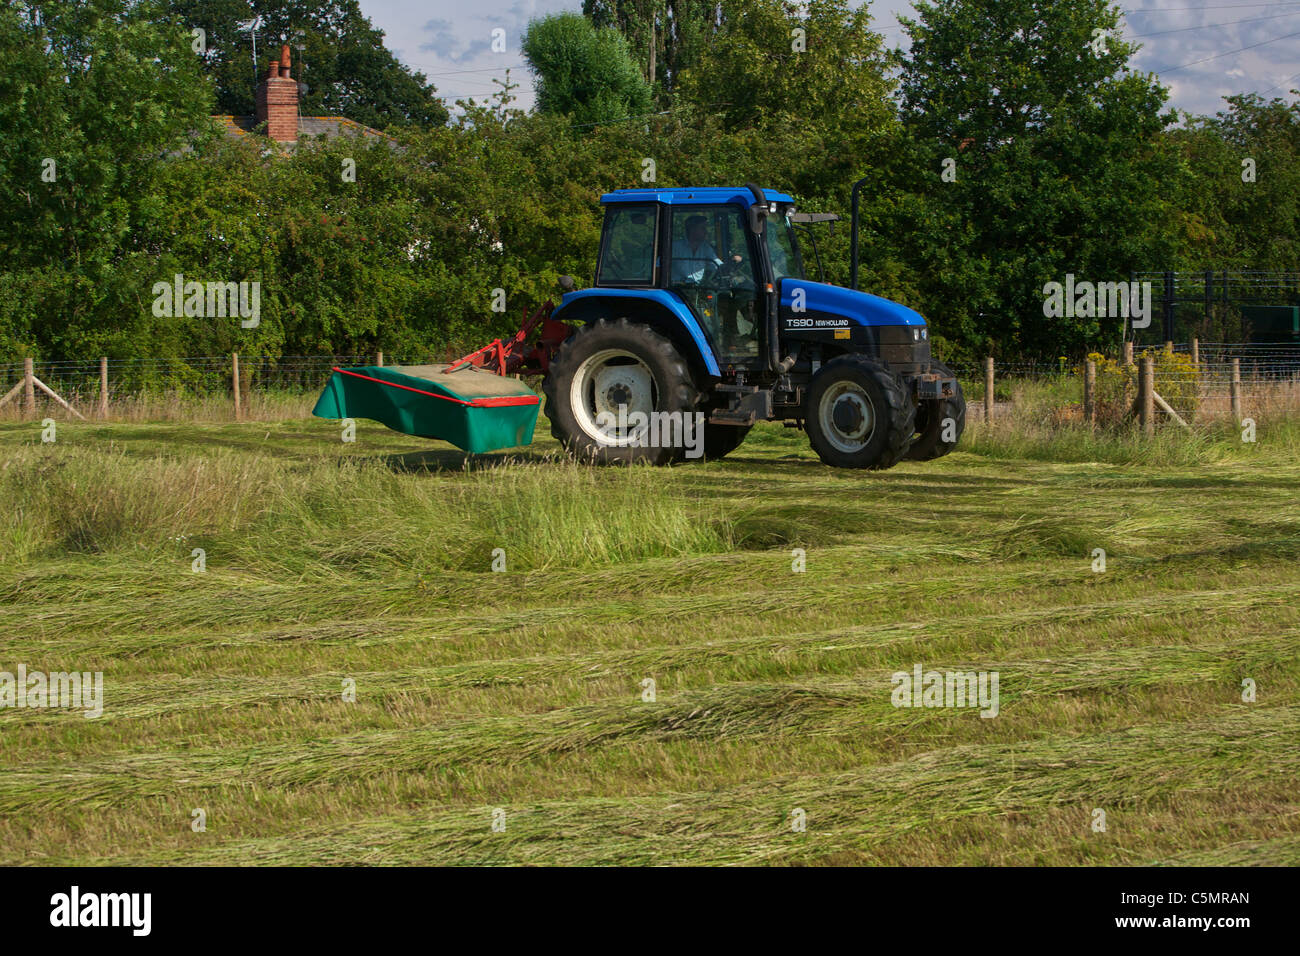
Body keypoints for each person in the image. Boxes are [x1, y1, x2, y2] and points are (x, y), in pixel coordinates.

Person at [671, 215, 742, 284]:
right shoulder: (675, 247)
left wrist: (732, 262)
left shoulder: (705, 248)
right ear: (692, 229)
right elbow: (660, 266)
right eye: (703, 228)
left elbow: (718, 267)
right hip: (677, 288)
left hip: (698, 289)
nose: (706, 232)